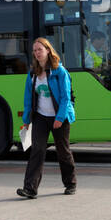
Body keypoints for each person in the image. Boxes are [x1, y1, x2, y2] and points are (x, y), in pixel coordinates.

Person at [16, 37, 76, 198]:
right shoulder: (33, 73)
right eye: (34, 50)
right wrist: (26, 121)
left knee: (63, 151)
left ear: (48, 50)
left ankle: (70, 183)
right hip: (41, 117)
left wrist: (60, 118)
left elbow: (66, 97)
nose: (37, 53)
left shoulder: (59, 72)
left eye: (40, 50)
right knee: (37, 150)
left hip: (59, 117)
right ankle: (30, 188)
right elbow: (28, 99)